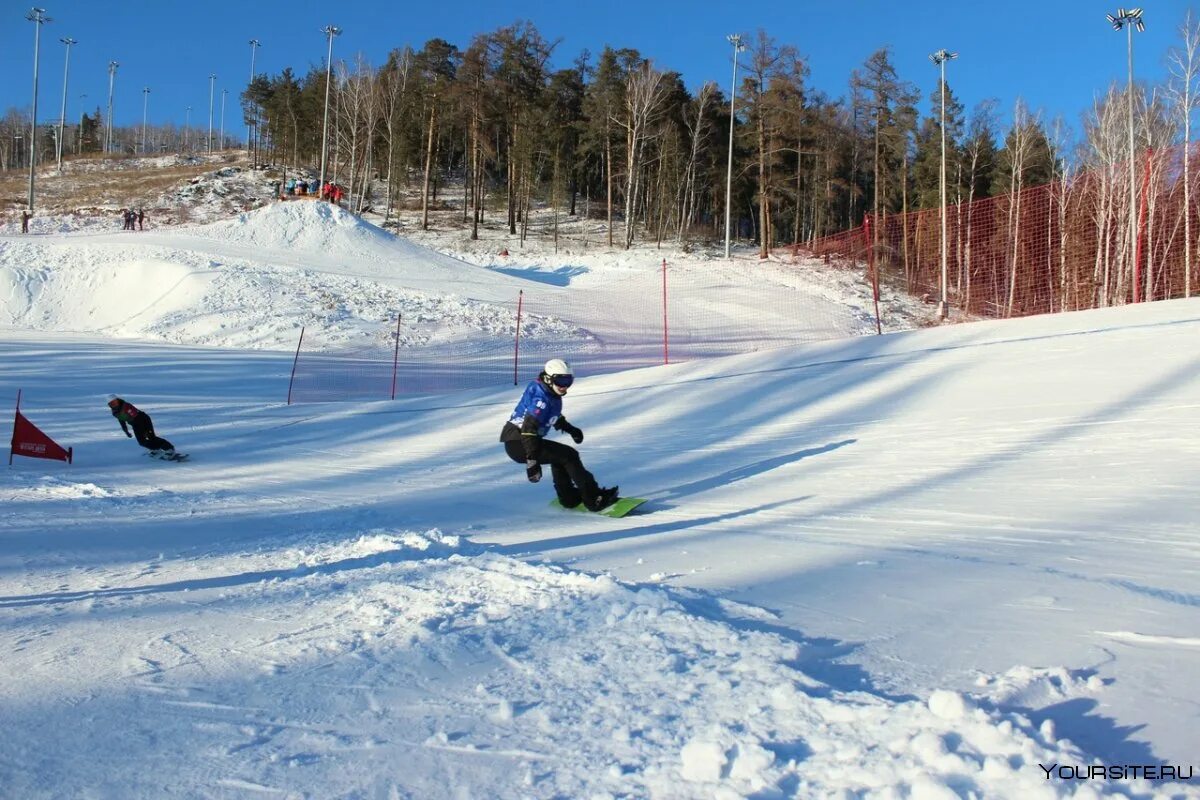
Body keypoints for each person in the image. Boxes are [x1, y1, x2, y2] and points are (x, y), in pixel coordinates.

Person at [500, 359, 617, 511]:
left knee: (561, 457)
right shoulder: (541, 399)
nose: (564, 386)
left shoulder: (546, 390)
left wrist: (570, 429)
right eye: (561, 380)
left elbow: (551, 414)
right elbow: (529, 429)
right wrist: (532, 461)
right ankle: (593, 499)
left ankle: (568, 498)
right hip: (520, 441)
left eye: (569, 381)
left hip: (520, 440)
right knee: (569, 455)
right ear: (549, 378)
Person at [106, 395, 175, 457]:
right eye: (111, 403)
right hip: (135, 424)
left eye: (115, 401)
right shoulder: (115, 412)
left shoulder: (126, 406)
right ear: (109, 404)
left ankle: (169, 449)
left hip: (143, 420)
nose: (113, 404)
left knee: (151, 437)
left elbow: (136, 416)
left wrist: (143, 430)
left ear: (117, 400)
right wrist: (125, 430)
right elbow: (121, 420)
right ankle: (155, 449)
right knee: (142, 442)